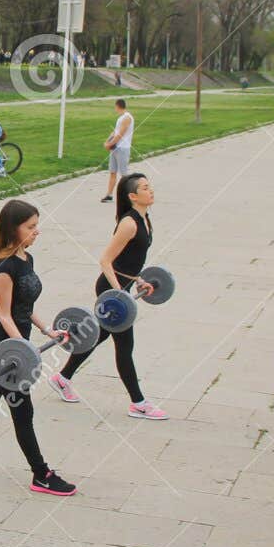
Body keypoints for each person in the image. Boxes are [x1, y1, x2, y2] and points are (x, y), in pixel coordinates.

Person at [0, 199, 77, 495]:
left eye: (36, 226)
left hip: (17, 346)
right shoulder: (4, 269)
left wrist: (47, 330)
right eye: (30, 227)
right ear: (13, 228)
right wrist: (21, 346)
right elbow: (3, 314)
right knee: (23, 409)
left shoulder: (25, 259)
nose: (36, 231)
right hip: (4, 349)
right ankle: (41, 474)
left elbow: (25, 306)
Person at [48, 173, 169, 420]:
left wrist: (139, 280)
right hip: (110, 291)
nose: (151, 191)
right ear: (133, 196)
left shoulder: (145, 219)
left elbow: (130, 261)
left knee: (96, 336)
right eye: (145, 188)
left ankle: (62, 378)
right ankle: (138, 403)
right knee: (125, 346)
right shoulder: (129, 223)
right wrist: (118, 294)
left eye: (150, 186)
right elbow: (106, 260)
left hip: (120, 289)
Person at [102, 98, 134, 203]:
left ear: (117, 106)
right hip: (115, 148)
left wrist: (110, 144)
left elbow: (121, 134)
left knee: (124, 174)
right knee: (112, 172)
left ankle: (128, 196)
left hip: (122, 149)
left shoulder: (127, 118)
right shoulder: (120, 118)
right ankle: (109, 195)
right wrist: (107, 142)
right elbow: (115, 132)